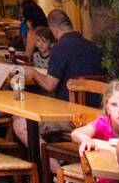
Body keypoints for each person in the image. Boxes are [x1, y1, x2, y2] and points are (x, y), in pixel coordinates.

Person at [12, 9, 103, 150]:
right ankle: (57, 159)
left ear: (53, 29)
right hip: (95, 114)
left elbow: (49, 85)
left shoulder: (61, 47)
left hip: (70, 116)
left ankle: (53, 167)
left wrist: (34, 73)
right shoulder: (93, 47)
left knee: (20, 124)